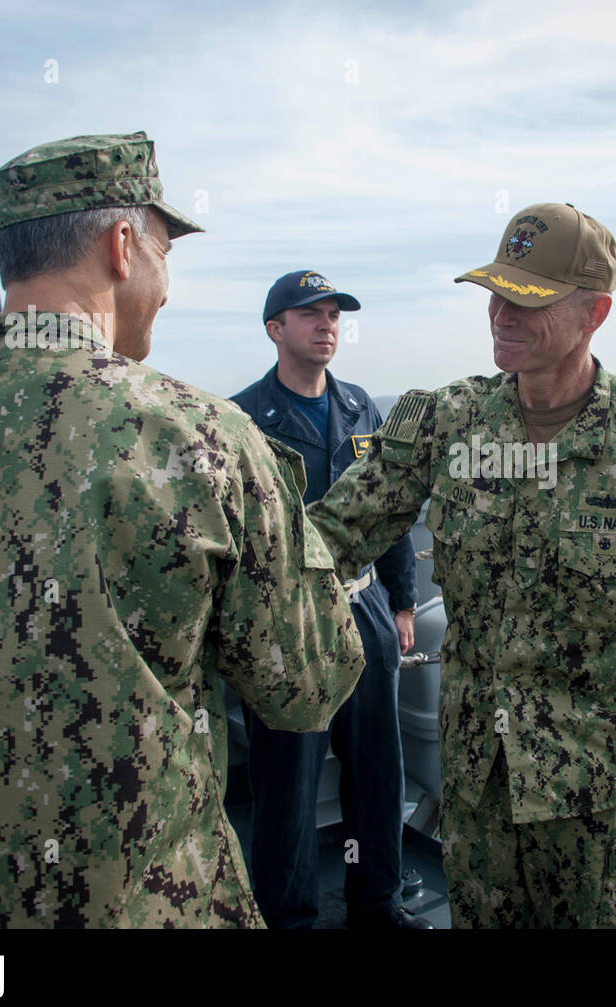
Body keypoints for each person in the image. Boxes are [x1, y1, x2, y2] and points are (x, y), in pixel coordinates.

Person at [0, 132, 365, 928]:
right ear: (122, 246)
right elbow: (309, 682)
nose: (167, 286)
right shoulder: (201, 438)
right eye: (165, 250)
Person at [306, 202, 616, 928]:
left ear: (595, 313)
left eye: (528, 300)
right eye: (495, 293)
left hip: (596, 792)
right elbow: (332, 534)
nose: (502, 315)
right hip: (477, 779)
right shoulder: (446, 423)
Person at [230, 269, 428, 929]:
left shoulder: (362, 409)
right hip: (289, 620)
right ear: (275, 329)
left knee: (377, 769)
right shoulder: (242, 421)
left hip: (366, 607)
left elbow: (391, 508)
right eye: (310, 315)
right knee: (287, 778)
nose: (327, 326)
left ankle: (378, 902)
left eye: (334, 315)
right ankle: (288, 918)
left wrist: (402, 600)